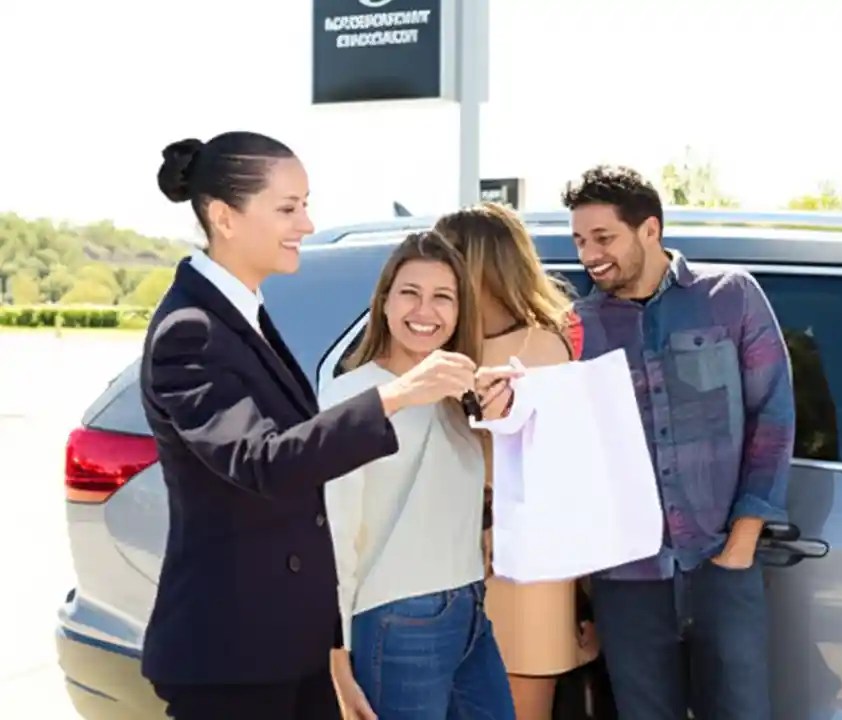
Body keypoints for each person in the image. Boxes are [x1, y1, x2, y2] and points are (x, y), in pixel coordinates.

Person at [140, 132, 469, 720]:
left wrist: (330, 652)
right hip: (231, 658)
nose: (308, 224)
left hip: (287, 649)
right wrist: (394, 396)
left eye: (306, 204)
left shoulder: (246, 315)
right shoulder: (190, 330)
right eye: (288, 208)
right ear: (225, 218)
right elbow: (264, 462)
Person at [561, 165, 797, 720]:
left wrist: (741, 542)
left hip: (720, 563)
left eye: (603, 238)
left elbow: (773, 415)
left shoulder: (730, 297)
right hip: (627, 580)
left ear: (650, 230)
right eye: (578, 240)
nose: (589, 254)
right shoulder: (575, 326)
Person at [322, 230, 522, 720]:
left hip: (469, 609)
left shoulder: (461, 393)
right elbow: (332, 533)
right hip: (395, 618)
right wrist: (333, 654)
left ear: (459, 312)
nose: (424, 311)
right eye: (410, 293)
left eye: (442, 297)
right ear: (385, 302)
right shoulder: (354, 398)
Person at [432, 203, 602, 720]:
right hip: (454, 561)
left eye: (446, 262)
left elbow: (558, 477)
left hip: (521, 564)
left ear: (476, 267)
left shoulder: (538, 349)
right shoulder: (444, 345)